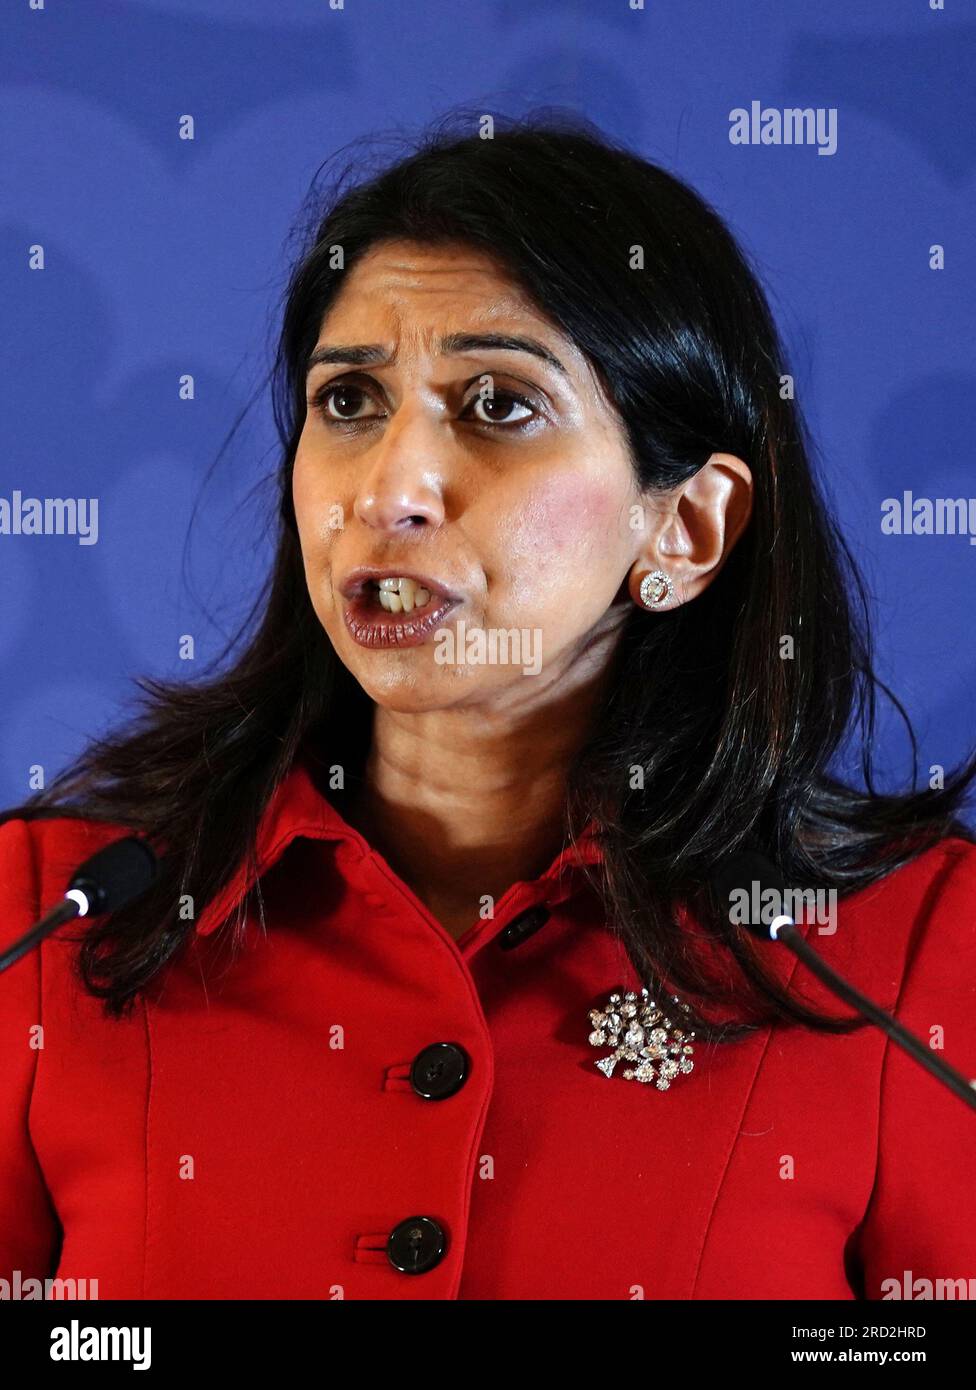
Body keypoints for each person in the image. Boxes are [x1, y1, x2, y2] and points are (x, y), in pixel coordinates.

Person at [2, 111, 975, 1302]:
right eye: (350, 401)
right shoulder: (49, 918)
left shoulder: (908, 953)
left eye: (497, 404)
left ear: (683, 528)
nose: (389, 486)